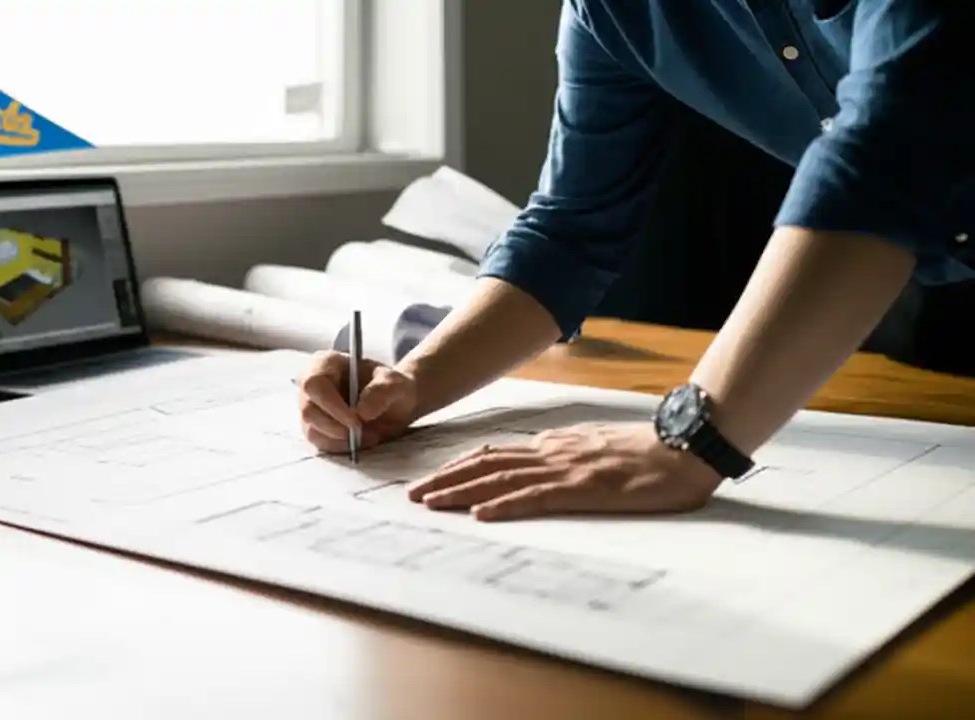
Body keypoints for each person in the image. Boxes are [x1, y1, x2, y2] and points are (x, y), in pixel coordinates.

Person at [295, 0, 974, 522]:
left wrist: (692, 441)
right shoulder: (613, 10)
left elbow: (885, 154)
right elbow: (568, 230)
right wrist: (412, 383)